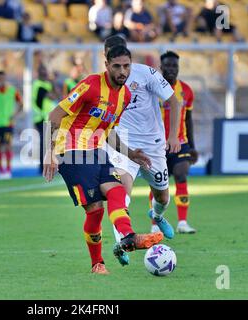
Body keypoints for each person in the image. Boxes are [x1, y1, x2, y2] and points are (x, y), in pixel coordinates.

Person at [43, 45, 164, 275]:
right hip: (72, 151)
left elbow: (108, 131)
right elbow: (54, 115)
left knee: (117, 191)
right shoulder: (90, 85)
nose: (122, 71)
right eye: (116, 66)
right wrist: (49, 152)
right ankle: (97, 263)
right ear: (107, 65)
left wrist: (131, 153)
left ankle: (128, 238)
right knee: (96, 210)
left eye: (126, 66)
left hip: (98, 151)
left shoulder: (125, 95)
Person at [102, 36, 181, 266]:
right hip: (123, 144)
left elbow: (174, 102)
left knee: (163, 197)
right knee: (120, 193)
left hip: (152, 145)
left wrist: (173, 135)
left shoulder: (146, 74)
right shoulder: (101, 83)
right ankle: (123, 242)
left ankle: (156, 215)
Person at [150, 51, 197, 234]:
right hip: (157, 144)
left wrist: (192, 146)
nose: (171, 69)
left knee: (181, 174)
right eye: (167, 65)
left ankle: (182, 222)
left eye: (174, 66)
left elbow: (189, 119)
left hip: (180, 142)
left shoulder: (186, 90)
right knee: (158, 183)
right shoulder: (153, 89)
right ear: (161, 68)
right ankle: (155, 223)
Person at [0, 70, 23, 178]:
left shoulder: (12, 90)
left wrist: (14, 115)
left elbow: (21, 104)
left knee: (7, 146)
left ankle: (8, 170)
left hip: (8, 123)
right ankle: (0, 170)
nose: (1, 81)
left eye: (3, 79)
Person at [32, 65, 56, 174]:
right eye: (43, 71)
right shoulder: (39, 85)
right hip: (41, 117)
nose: (45, 74)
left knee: (48, 143)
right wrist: (53, 82)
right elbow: (52, 96)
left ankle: (46, 166)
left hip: (45, 117)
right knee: (46, 143)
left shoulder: (45, 84)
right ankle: (43, 167)